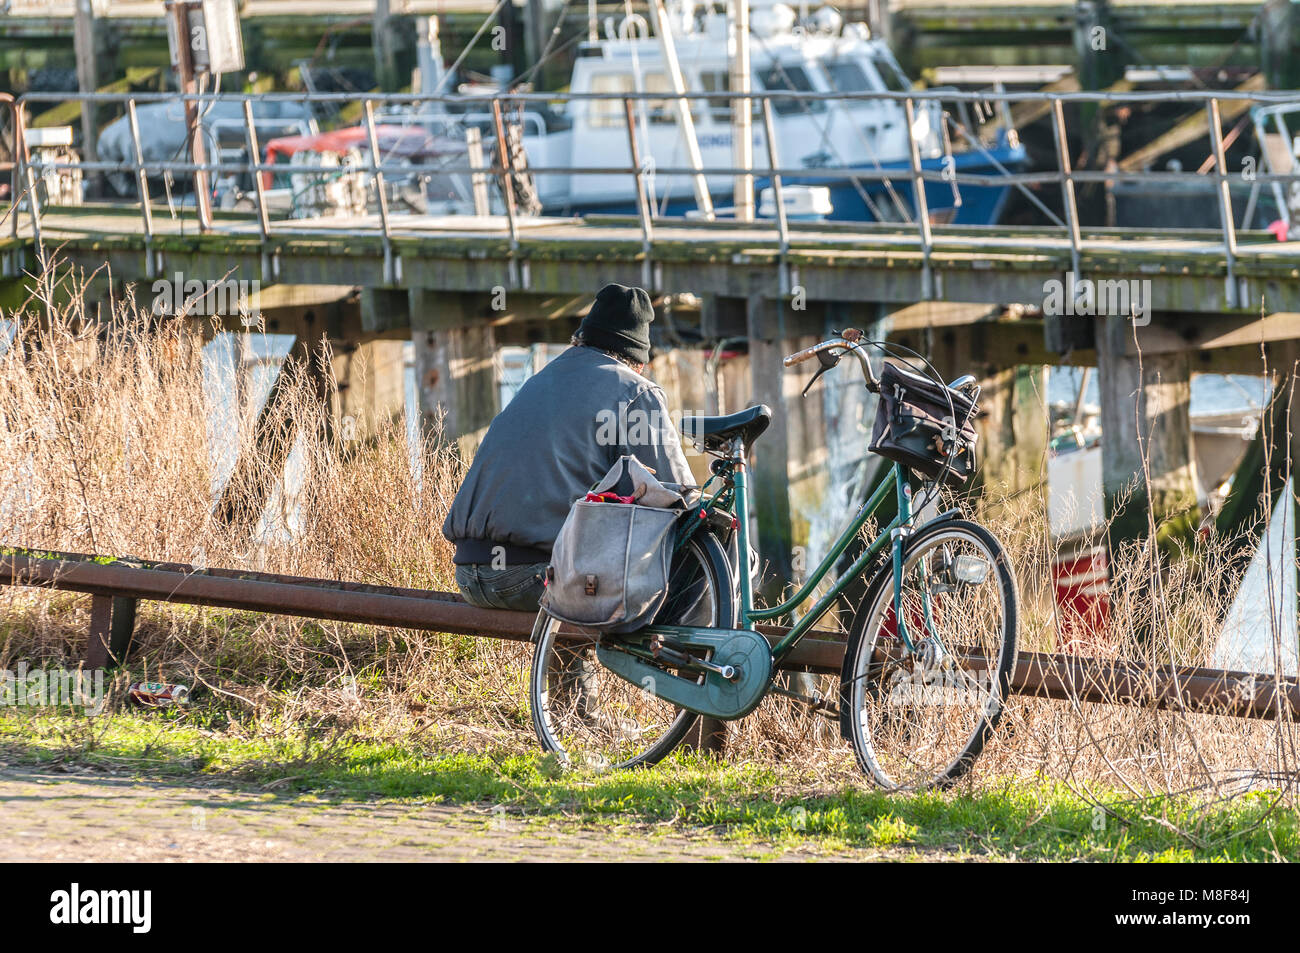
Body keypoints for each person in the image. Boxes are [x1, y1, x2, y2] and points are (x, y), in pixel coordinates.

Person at [443, 283, 693, 611]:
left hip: (470, 574)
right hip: (533, 576)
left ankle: (569, 664)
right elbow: (680, 497)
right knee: (677, 577)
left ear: (580, 339)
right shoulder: (636, 391)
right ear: (638, 361)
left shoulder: (542, 379)